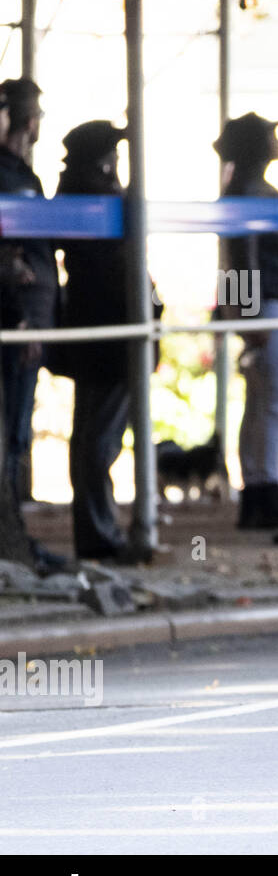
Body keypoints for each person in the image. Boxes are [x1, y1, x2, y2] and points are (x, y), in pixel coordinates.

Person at [43, 122, 157, 561]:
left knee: (95, 438)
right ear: (104, 158)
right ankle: (100, 536)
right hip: (112, 333)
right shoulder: (97, 198)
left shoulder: (81, 193)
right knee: (99, 441)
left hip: (104, 333)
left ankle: (99, 533)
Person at [213, 113, 278, 530]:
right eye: (270, 135)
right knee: (276, 403)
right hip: (272, 305)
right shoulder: (251, 192)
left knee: (264, 402)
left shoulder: (246, 190)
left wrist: (240, 315)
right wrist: (247, 317)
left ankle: (259, 487)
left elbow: (235, 262)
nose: (277, 140)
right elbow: (240, 262)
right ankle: (265, 487)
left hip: (267, 306)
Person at [0, 78, 54, 510]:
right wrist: (247, 311)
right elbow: (241, 259)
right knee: (13, 420)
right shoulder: (12, 176)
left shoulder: (23, 175)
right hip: (17, 317)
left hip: (28, 314)